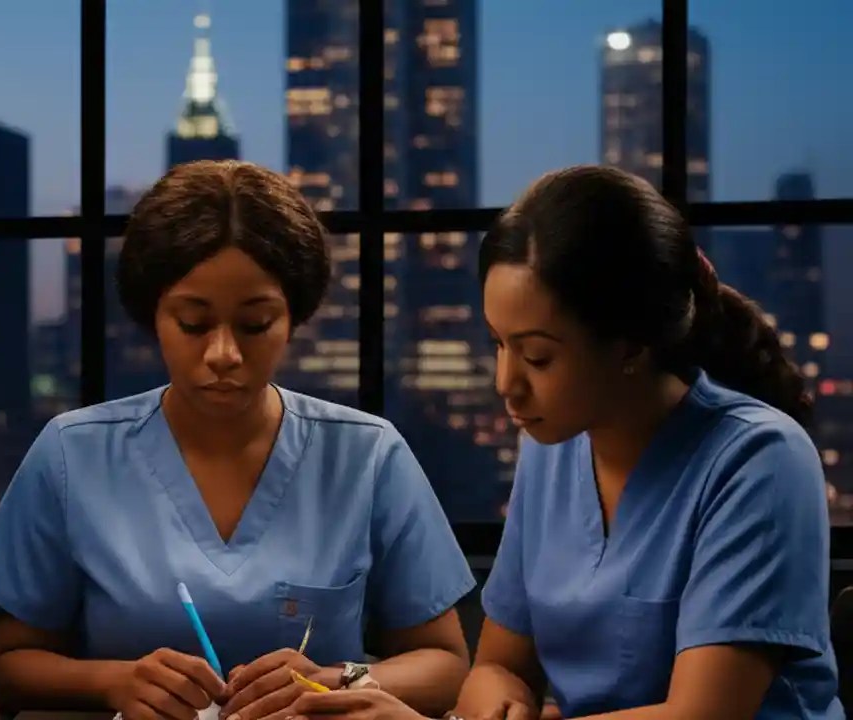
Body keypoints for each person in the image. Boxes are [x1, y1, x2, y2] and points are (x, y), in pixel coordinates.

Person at [293, 164, 840, 720]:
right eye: (497, 345)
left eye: (537, 357)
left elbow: (700, 715)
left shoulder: (758, 460)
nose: (506, 383)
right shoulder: (550, 450)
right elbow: (498, 666)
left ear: (631, 346)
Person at [0, 160, 475, 720]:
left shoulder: (366, 456)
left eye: (255, 325)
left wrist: (334, 681)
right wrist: (116, 683)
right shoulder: (72, 454)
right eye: (192, 323)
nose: (223, 354)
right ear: (152, 315)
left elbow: (446, 664)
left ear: (293, 318)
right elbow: (10, 664)